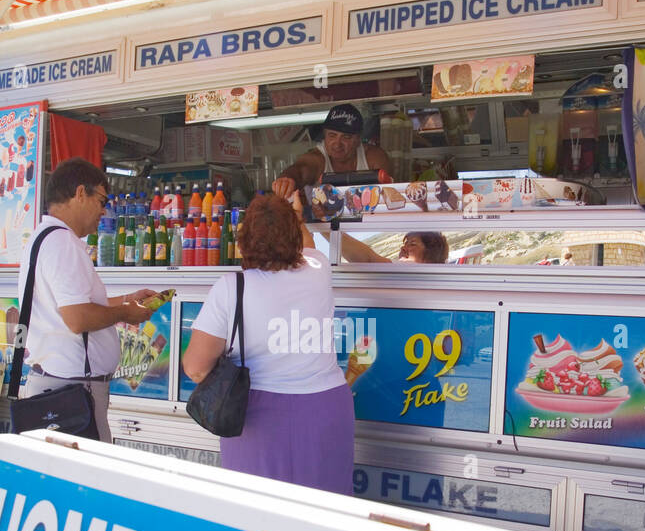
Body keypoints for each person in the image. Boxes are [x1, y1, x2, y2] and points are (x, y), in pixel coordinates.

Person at [183, 193, 354, 494]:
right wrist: (295, 214)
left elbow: (196, 369)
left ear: (243, 240)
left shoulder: (231, 287)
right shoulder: (318, 269)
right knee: (328, 514)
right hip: (326, 408)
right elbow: (309, 247)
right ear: (293, 237)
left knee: (260, 518)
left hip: (257, 415)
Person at [17, 158, 153, 442]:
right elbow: (78, 318)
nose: (104, 211)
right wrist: (126, 314)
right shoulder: (63, 243)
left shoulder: (43, 238)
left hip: (56, 383)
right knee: (85, 477)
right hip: (72, 391)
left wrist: (126, 300)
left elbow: (72, 307)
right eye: (101, 200)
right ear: (80, 193)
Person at [271, 104, 392, 197]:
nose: (337, 144)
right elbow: (300, 170)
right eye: (332, 135)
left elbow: (389, 194)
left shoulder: (373, 157)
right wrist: (287, 180)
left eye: (346, 137)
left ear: (358, 139)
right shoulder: (317, 159)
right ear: (324, 135)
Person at [320, 228, 449, 264]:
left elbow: (368, 260)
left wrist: (324, 227)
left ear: (430, 256)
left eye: (413, 244)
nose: (403, 248)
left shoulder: (411, 269)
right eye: (405, 243)